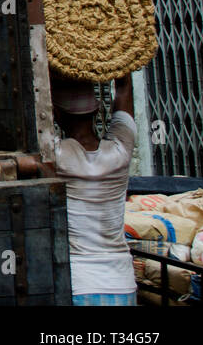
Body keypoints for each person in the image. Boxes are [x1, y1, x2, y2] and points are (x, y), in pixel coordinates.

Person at [52, 74, 138, 306]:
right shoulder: (120, 151)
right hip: (123, 282)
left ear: (56, 115)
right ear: (97, 109)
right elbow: (124, 90)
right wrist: (121, 58)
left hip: (80, 282)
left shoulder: (56, 157)